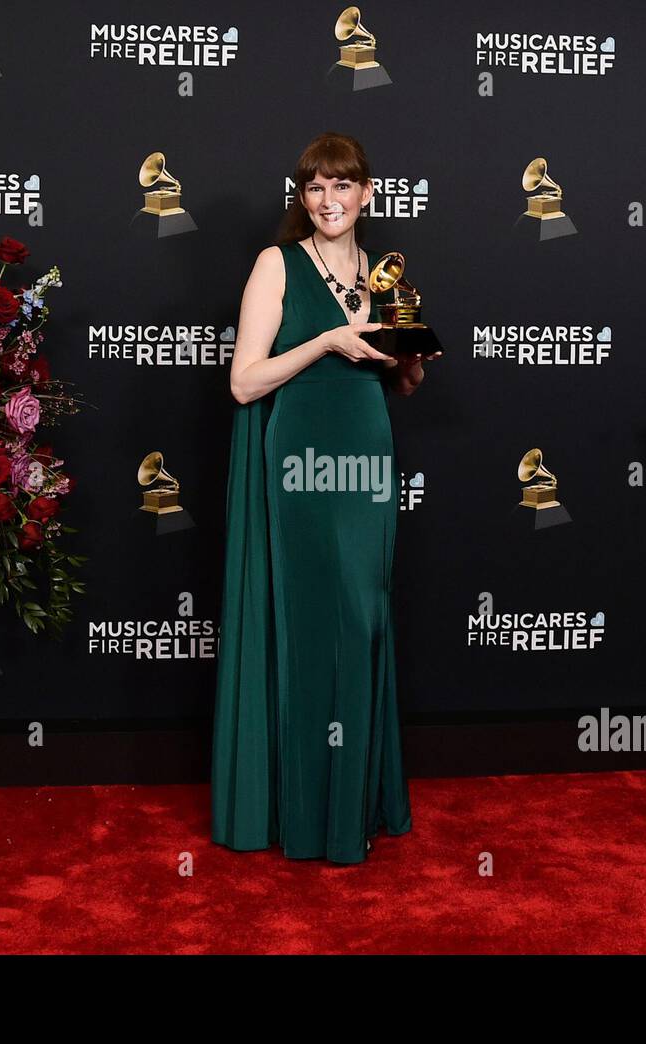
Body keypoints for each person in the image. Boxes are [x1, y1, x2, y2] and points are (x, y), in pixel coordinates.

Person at [211, 132, 440, 864]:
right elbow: (245, 382)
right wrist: (329, 342)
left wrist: (408, 361)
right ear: (302, 198)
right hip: (301, 461)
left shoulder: (383, 273)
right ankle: (308, 817)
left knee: (362, 616)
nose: (329, 200)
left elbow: (399, 384)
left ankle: (354, 806)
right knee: (314, 620)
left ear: (367, 194)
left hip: (368, 455)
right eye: (315, 188)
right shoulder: (276, 265)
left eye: (342, 187)